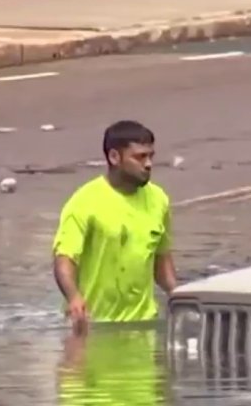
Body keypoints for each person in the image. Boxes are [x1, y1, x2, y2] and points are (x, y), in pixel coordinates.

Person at [52, 119, 178, 332]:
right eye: (139, 157)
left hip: (143, 323)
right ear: (114, 157)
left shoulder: (159, 200)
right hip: (95, 324)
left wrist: (180, 297)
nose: (148, 164)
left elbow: (162, 262)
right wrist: (74, 298)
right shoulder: (85, 202)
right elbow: (64, 259)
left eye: (150, 156)